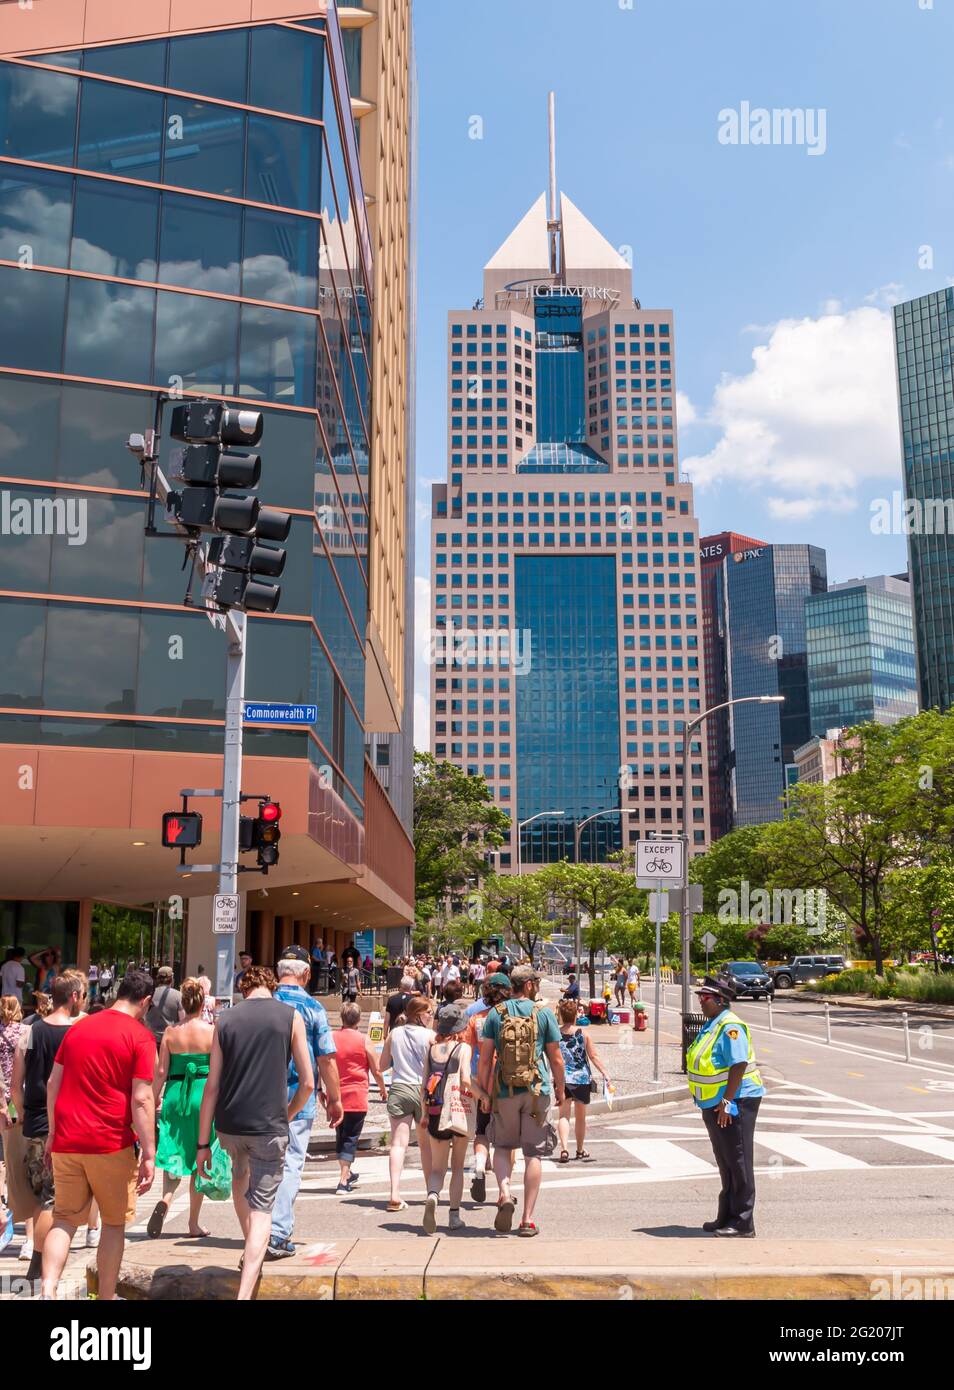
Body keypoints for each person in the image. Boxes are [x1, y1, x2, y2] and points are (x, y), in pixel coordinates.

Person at [197, 965, 315, 1300]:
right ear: (271, 986)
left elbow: (212, 1085)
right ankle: (246, 1289)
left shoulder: (225, 1020)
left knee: (240, 1178)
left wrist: (202, 1143)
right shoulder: (290, 1016)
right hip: (269, 1125)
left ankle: (252, 1249)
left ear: (243, 988)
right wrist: (287, 1115)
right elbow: (307, 1082)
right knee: (263, 1208)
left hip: (230, 1126)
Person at [40, 970, 158, 1301]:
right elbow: (141, 1097)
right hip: (110, 1142)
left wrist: (52, 1134)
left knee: (63, 1220)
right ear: (146, 1001)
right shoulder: (140, 1037)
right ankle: (105, 1298)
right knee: (113, 1223)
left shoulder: (80, 1027)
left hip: (67, 1140)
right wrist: (149, 1152)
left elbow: (53, 1083)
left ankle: (47, 1291)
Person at [478, 964, 565, 1238]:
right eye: (536, 981)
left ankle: (504, 1193)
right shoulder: (543, 1014)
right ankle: (527, 1219)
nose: (537, 985)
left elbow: (484, 1059)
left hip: (504, 1090)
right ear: (527, 985)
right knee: (533, 1154)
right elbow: (556, 1058)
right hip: (537, 1089)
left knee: (502, 1147)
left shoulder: (496, 1014)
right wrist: (561, 1088)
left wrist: (484, 1092)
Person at [9, 973, 84, 1282]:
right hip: (70, 1122)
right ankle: (40, 1267)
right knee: (54, 1199)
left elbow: (15, 1086)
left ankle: (37, 1262)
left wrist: (24, 1111)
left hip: (36, 1121)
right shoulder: (80, 1031)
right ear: (75, 996)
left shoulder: (29, 1032)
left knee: (41, 1194)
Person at [268, 947, 342, 1260]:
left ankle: (256, 1230)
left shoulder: (263, 1004)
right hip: (299, 1095)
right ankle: (278, 1232)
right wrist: (334, 1098)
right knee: (290, 1163)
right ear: (307, 974)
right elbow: (325, 1059)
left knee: (258, 1167)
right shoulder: (313, 1008)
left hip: (258, 1096)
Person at [686, 976, 765, 1238]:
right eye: (701, 996)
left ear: (720, 1000)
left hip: (736, 1101)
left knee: (739, 1160)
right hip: (714, 1102)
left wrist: (727, 1101)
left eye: (705, 997)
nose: (700, 1000)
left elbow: (739, 1064)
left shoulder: (731, 1026)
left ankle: (743, 1222)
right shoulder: (712, 1024)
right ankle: (726, 1215)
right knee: (726, 1160)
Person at [149, 977, 215, 1239]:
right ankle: (193, 1223)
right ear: (202, 1003)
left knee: (175, 1150)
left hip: (175, 1095)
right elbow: (219, 1070)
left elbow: (161, 1071)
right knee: (200, 1154)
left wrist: (154, 1098)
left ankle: (166, 1198)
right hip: (202, 1095)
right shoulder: (211, 1031)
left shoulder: (170, 1033)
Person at [420, 1002, 487, 1233]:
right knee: (457, 1167)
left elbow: (424, 1085)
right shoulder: (463, 1049)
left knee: (437, 1169)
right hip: (457, 1113)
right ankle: (454, 1216)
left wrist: (424, 1114)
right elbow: (466, 1080)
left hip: (436, 1113)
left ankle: (432, 1196)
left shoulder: (431, 1050)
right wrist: (483, 1096)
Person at [379, 995, 434, 1213]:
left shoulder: (395, 1033)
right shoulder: (430, 1036)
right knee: (425, 1145)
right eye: (429, 1012)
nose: (431, 1016)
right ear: (419, 1014)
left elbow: (382, 1065)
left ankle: (394, 1193)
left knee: (398, 1143)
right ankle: (431, 1190)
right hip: (423, 1090)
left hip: (400, 1087)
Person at [463, 972, 511, 1205]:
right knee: (508, 1139)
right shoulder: (513, 1017)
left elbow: (465, 1055)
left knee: (481, 1131)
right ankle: (505, 1191)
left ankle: (480, 1167)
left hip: (483, 1082)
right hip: (510, 1083)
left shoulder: (477, 1019)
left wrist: (473, 1086)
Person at [334, 1001, 387, 1195]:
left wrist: (323, 1090)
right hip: (356, 1095)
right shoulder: (364, 1040)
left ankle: (346, 1172)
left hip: (337, 1095)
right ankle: (342, 1180)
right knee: (351, 1137)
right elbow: (376, 1070)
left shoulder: (332, 1038)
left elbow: (324, 1065)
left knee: (341, 1135)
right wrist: (382, 1089)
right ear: (358, 1019)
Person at [555, 998, 610, 1163]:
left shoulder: (556, 1034)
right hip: (582, 1078)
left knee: (563, 1115)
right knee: (580, 1117)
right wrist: (605, 1073)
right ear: (575, 1016)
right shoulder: (583, 1033)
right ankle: (579, 1149)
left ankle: (564, 1149)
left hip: (563, 1079)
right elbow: (593, 1056)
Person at [0, 995, 24, 1249]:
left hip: (1, 1096)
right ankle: (15, 1200)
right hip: (17, 1098)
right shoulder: (24, 1032)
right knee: (15, 1150)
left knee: (2, 1152)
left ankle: (3, 1199)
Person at [145, 966, 182, 1046]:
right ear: (171, 979)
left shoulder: (149, 994)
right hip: (170, 1040)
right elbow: (182, 1020)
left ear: (158, 979)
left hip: (151, 1038)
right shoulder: (178, 995)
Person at [383, 974, 416, 1039]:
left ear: (401, 985)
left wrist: (385, 1035)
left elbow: (386, 1020)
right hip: (409, 1035)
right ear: (411, 986)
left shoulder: (391, 999)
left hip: (394, 1033)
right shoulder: (414, 1001)